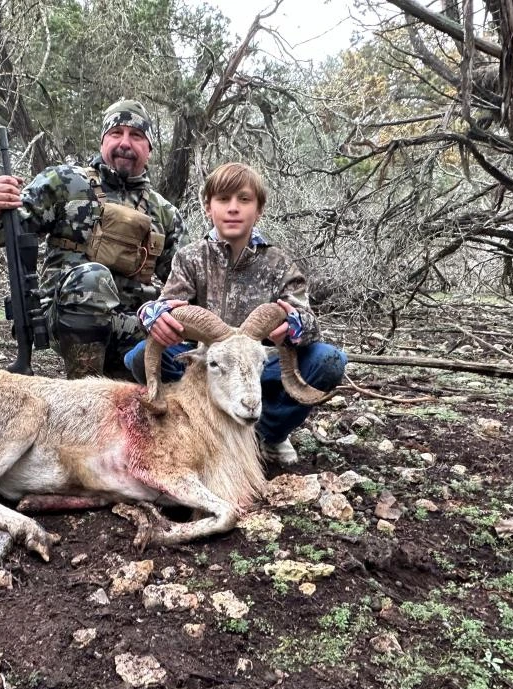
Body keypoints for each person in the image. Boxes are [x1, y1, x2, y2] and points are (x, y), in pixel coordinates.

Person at [124, 162, 347, 465]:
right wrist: (152, 315)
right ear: (208, 207)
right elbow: (167, 304)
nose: (233, 208)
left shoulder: (278, 262)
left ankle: (268, 434)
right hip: (211, 366)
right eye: (223, 199)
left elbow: (308, 321)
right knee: (140, 355)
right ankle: (193, 425)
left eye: (244, 199)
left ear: (259, 210)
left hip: (259, 365)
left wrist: (294, 325)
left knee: (329, 360)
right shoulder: (191, 257)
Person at [0, 99, 185, 378]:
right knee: (91, 279)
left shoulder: (165, 212)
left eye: (136, 136)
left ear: (149, 149)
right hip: (68, 316)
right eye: (116, 133)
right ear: (102, 141)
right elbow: (5, 235)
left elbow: (185, 282)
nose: (125, 143)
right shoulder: (65, 181)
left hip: (136, 324)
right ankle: (84, 391)